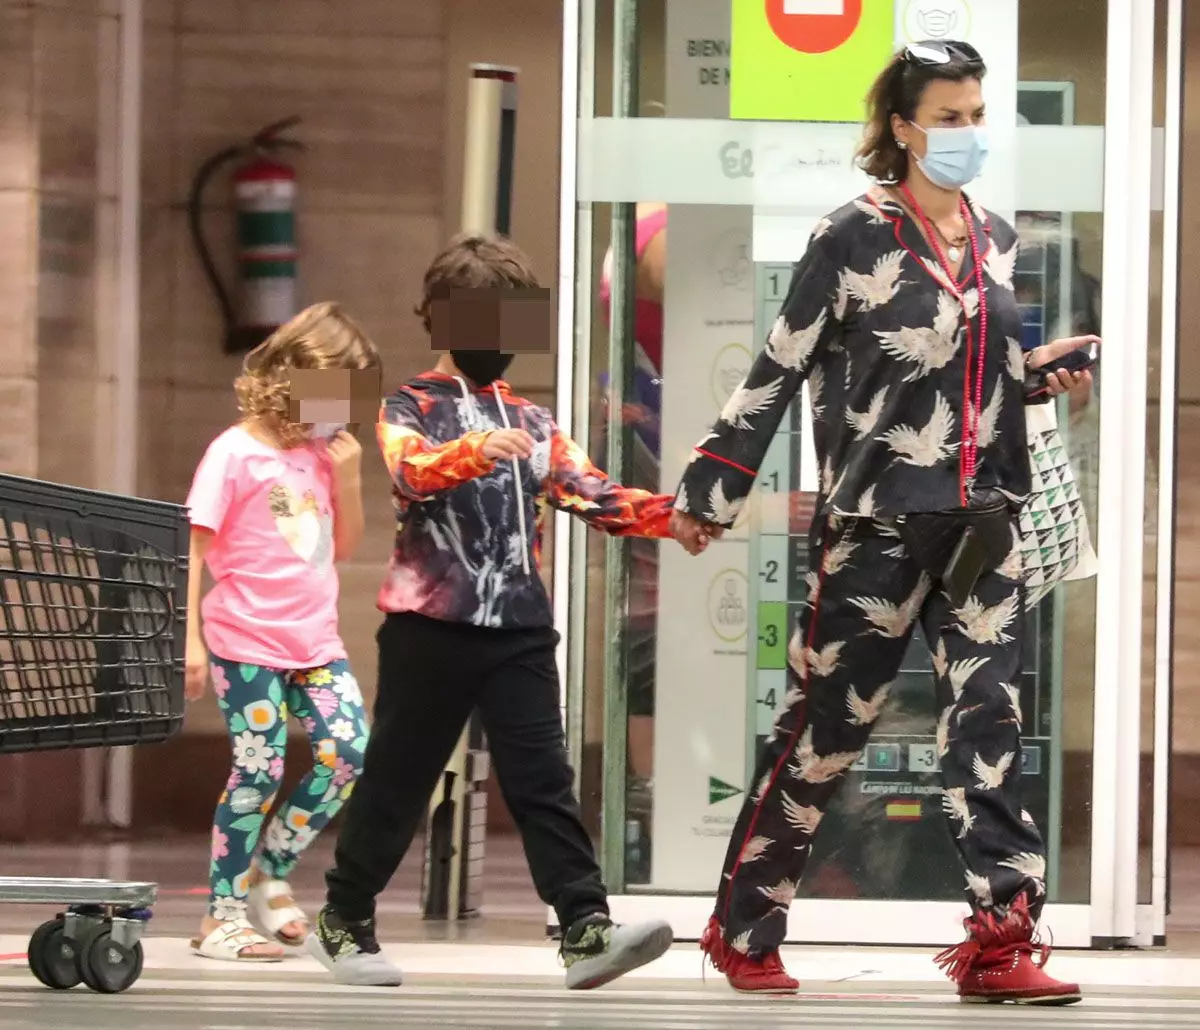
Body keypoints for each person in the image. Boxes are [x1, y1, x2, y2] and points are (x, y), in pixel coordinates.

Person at [668, 41, 1096, 1004]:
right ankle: (743, 924)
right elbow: (778, 368)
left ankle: (999, 942)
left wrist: (1041, 370)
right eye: (948, 118)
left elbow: (976, 373)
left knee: (987, 721)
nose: (968, 134)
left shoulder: (994, 236)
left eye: (977, 114)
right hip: (876, 527)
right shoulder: (848, 236)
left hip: (986, 520)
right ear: (901, 129)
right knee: (827, 731)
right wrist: (711, 490)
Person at [307, 234, 679, 989]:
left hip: (517, 627)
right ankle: (344, 920)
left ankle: (584, 927)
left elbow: (595, 494)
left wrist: (681, 516)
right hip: (428, 627)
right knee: (398, 778)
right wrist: (477, 450)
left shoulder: (535, 421)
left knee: (543, 776)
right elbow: (411, 473)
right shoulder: (406, 407)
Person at [184, 302, 381, 962]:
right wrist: (188, 639)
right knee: (257, 771)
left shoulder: (324, 456)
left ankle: (269, 873)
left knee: (348, 752)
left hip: (315, 644)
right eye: (333, 392)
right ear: (292, 377)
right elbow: (193, 549)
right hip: (246, 644)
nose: (338, 411)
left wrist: (349, 476)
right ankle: (222, 914)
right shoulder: (232, 455)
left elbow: (343, 546)